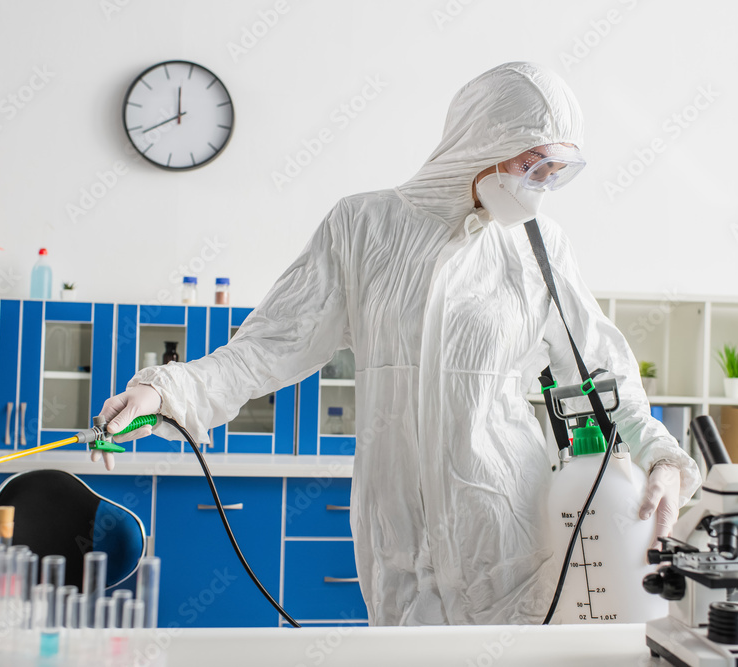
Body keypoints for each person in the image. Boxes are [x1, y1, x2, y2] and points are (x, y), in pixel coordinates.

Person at [96, 62, 702, 625]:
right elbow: (268, 346)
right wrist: (166, 390)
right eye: (533, 164)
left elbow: (600, 372)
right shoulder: (363, 227)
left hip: (511, 535)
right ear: (484, 139)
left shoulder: (538, 246)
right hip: (397, 545)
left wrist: (662, 457)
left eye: (556, 172)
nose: (542, 184)